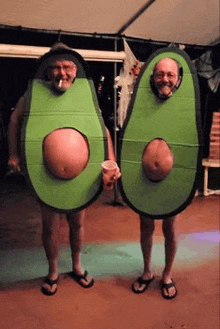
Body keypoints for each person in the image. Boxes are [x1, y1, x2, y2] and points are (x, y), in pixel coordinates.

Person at [8, 43, 120, 296]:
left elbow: (100, 129)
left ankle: (78, 267)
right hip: (46, 177)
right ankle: (53, 271)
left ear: (76, 69)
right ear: (47, 70)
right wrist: (14, 153)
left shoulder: (85, 95)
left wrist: (111, 159)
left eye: (67, 67)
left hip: (82, 177)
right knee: (50, 226)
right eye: (55, 67)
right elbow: (15, 118)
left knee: (78, 224)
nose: (62, 73)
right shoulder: (34, 94)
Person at [131, 58, 181, 299]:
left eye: (170, 75)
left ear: (179, 79)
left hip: (173, 180)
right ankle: (147, 271)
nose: (165, 79)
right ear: (152, 78)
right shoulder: (142, 105)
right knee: (146, 225)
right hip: (145, 178)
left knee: (171, 227)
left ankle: (167, 275)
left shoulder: (185, 106)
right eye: (160, 74)